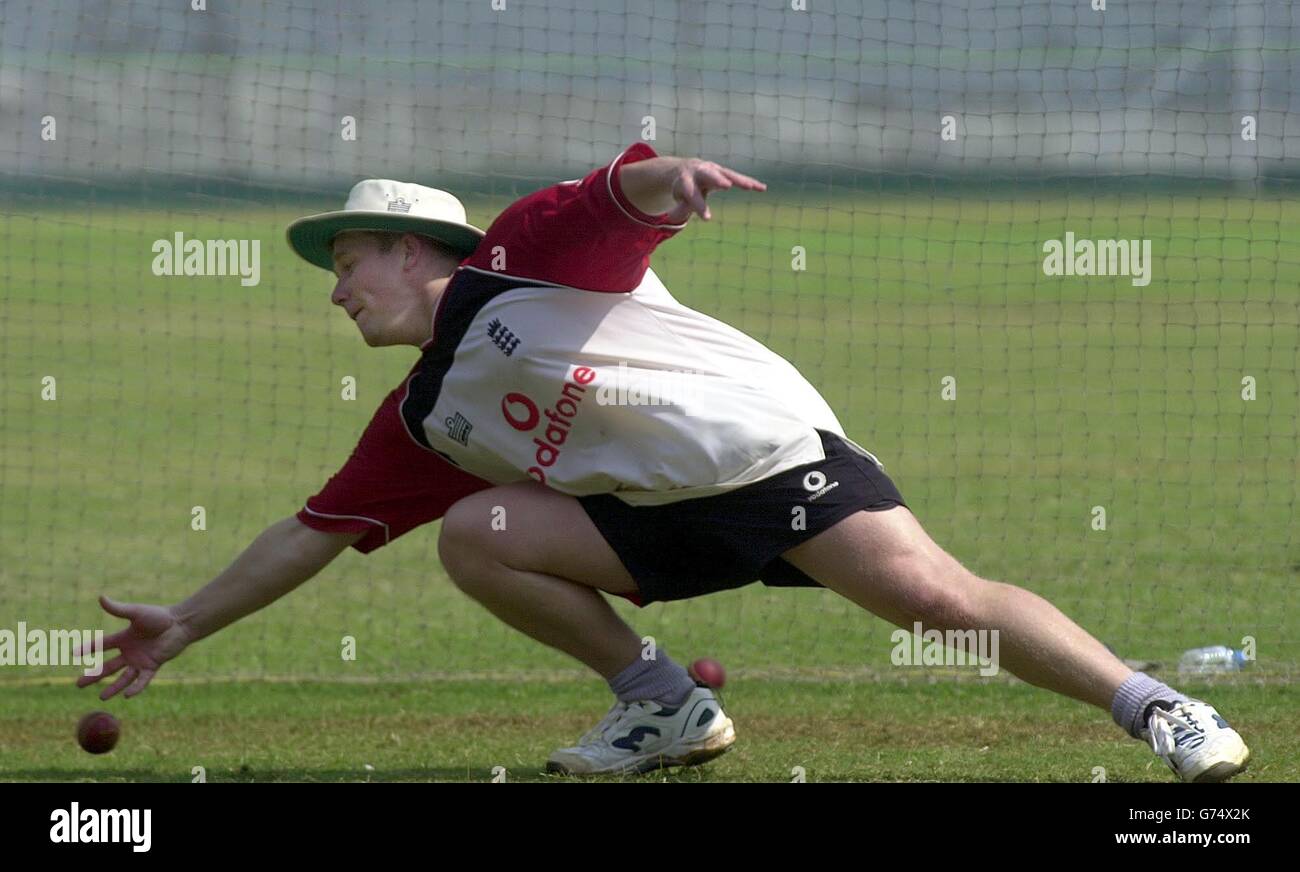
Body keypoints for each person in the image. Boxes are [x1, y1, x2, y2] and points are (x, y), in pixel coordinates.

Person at [80, 143, 1250, 782]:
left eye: (347, 265)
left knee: (935, 602)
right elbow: (310, 531)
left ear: (408, 249)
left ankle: (1160, 710)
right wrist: (183, 621)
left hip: (765, 458)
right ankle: (665, 707)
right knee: (475, 533)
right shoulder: (425, 415)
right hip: (656, 518)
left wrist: (669, 179)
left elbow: (620, 193)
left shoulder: (516, 258)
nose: (335, 293)